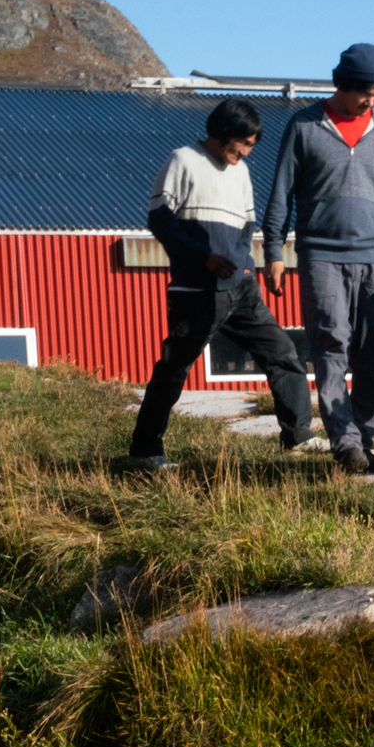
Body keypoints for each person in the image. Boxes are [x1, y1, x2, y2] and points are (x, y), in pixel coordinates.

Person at [261, 43, 374, 476]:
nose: (373, 101)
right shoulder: (304, 127)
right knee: (331, 345)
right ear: (342, 85)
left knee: (373, 352)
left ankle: (367, 440)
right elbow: (280, 195)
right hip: (320, 255)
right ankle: (345, 443)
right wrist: (273, 252)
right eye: (365, 94)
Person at [130, 97, 310, 471]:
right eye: (242, 143)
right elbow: (161, 222)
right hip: (195, 291)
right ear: (222, 133)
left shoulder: (241, 174)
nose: (245, 152)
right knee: (174, 369)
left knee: (282, 352)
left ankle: (299, 436)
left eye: (250, 145)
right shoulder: (183, 160)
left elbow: (247, 228)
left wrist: (248, 270)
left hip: (241, 290)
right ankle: (145, 452)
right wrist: (203, 258)